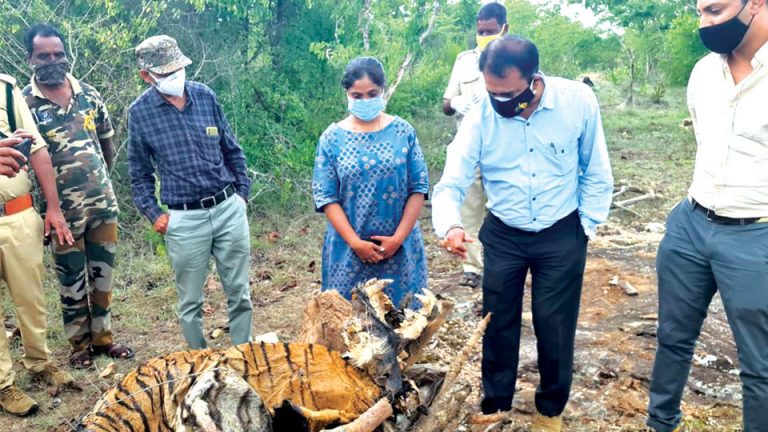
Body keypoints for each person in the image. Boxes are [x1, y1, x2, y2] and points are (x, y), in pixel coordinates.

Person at [432, 36, 613, 432]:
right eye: (491, 92)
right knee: (497, 321)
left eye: (508, 92)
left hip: (562, 230)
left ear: (534, 79)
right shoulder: (482, 113)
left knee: (555, 323)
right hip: (505, 232)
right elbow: (451, 183)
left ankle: (550, 411)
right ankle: (495, 406)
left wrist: (586, 227)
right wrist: (451, 225)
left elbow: (596, 169)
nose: (500, 100)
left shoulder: (577, 101)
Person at [646, 1, 768, 431]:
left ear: (755, 4)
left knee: (760, 366)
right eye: (700, 12)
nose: (705, 24)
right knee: (672, 341)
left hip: (757, 235)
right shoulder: (703, 73)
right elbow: (704, 138)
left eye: (715, 10)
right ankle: (661, 423)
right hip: (690, 226)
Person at [128, 35, 253, 350]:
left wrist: (241, 196)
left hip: (228, 208)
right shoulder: (140, 113)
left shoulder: (205, 96)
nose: (175, 78)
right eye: (167, 74)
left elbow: (232, 149)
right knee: (190, 302)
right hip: (184, 220)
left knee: (240, 293)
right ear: (147, 75)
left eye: (178, 69)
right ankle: (199, 362)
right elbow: (139, 173)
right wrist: (155, 214)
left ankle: (243, 355)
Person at [22, 24, 133, 369]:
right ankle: (80, 347)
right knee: (71, 281)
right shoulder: (24, 104)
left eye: (58, 54)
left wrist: (102, 181)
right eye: (44, 56)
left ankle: (103, 339)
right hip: (61, 212)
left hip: (102, 202)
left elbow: (106, 143)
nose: (53, 61)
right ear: (31, 59)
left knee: (103, 275)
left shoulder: (89, 94)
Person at [312, 56, 430, 307]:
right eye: (357, 95)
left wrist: (398, 238)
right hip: (348, 252)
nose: (365, 100)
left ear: (383, 91)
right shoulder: (331, 139)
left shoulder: (403, 132)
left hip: (400, 249)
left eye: (372, 93)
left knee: (404, 324)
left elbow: (418, 187)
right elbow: (326, 196)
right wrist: (356, 243)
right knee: (349, 328)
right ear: (347, 94)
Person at [0, 73, 75, 416]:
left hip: (18, 214)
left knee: (31, 296)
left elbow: (38, 148)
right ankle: (3, 385)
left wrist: (53, 207)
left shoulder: (4, 89)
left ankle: (41, 362)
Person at [441, 2, 508, 289]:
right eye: (481, 30)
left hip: (506, 149)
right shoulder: (464, 61)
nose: (484, 35)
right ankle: (471, 266)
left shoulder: (516, 57)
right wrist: (456, 103)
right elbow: (446, 104)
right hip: (470, 150)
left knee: (504, 210)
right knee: (469, 208)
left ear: (504, 28)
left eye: (490, 31)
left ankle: (505, 264)